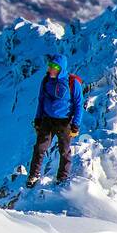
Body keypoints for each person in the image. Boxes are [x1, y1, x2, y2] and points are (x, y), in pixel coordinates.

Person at [26, 53, 83, 186]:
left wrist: (76, 124)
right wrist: (38, 119)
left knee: (64, 150)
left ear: (60, 68)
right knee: (40, 148)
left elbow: (79, 104)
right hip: (47, 119)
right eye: (49, 66)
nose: (50, 69)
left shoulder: (72, 83)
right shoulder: (46, 81)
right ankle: (33, 175)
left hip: (64, 122)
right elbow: (41, 100)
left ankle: (62, 178)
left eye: (53, 66)